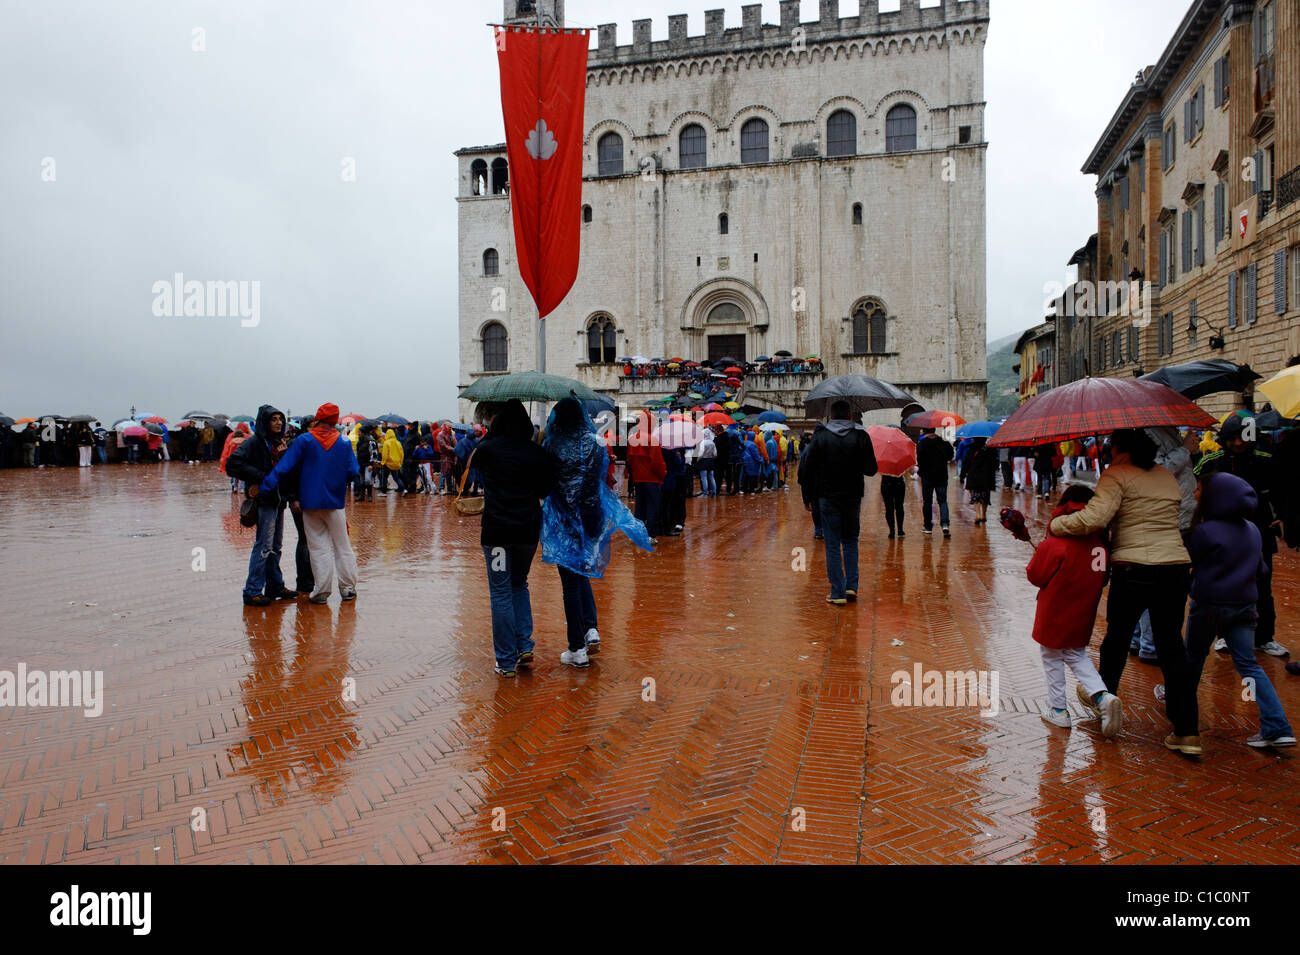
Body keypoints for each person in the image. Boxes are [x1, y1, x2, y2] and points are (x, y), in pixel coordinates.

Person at [1048, 428, 1200, 754]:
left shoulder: (1117, 474)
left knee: (1117, 640)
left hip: (1133, 569)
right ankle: (1187, 731)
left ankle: (1104, 699)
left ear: (1120, 449)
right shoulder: (1164, 476)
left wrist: (1058, 525)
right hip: (1174, 567)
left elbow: (1095, 519)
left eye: (1111, 447)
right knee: (1172, 647)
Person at [1183, 472, 1295, 748]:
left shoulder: (1204, 531)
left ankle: (1180, 707)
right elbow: (1262, 570)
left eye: (1200, 489)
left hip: (1209, 604)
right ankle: (1277, 726)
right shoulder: (1253, 530)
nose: (1196, 492)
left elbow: (1186, 561)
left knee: (1194, 657)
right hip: (1245, 606)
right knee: (1248, 665)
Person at [541, 397, 652, 668]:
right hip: (590, 518)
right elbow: (599, 482)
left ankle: (577, 648)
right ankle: (590, 629)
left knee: (571, 583)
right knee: (581, 574)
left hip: (564, 522)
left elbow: (545, 484)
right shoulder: (596, 444)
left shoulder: (551, 445)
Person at [1027, 484, 1123, 735]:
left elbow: (1035, 576)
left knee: (1051, 657)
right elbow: (1102, 578)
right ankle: (1102, 696)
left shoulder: (1056, 543)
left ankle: (1058, 710)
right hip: (1083, 611)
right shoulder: (1101, 545)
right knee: (1077, 655)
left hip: (1055, 610)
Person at [473, 399, 556, 677]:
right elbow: (546, 489)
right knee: (519, 584)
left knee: (500, 591)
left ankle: (506, 660)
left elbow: (476, 469)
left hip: (497, 531)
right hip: (527, 530)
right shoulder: (537, 453)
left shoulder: (487, 449)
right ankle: (524, 645)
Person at [1194, 414, 1288, 657]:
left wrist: (1283, 516)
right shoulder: (1210, 461)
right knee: (1223, 587)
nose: (1238, 443)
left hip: (1259, 535)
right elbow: (1194, 488)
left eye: (1243, 437)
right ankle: (1224, 636)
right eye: (1232, 438)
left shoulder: (1267, 460)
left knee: (1262, 587)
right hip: (1221, 538)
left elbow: (1282, 491)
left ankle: (1265, 637)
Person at [258, 404, 360, 605]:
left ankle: (321, 592)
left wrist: (265, 486)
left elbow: (284, 467)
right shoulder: (344, 442)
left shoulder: (305, 440)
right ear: (335, 420)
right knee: (343, 546)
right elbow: (353, 471)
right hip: (335, 503)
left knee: (317, 548)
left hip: (310, 503)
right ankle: (348, 589)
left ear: (318, 418)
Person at [799, 399, 879, 605]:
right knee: (851, 540)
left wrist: (807, 497)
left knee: (832, 543)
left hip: (828, 496)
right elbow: (871, 469)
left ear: (831, 415)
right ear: (850, 415)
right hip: (852, 496)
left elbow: (807, 469)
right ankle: (852, 586)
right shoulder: (861, 436)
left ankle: (837, 592)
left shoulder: (821, 436)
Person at [225, 405, 296, 607]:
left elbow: (284, 471)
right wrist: (259, 478)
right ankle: (253, 590)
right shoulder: (255, 443)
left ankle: (275, 585)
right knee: (264, 546)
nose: (278, 423)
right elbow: (233, 464)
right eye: (273, 419)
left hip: (278, 500)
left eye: (280, 419)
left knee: (275, 546)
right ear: (265, 422)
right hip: (265, 501)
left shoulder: (278, 443)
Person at [626, 412, 666, 539]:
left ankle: (639, 533)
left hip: (638, 478)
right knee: (653, 507)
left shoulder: (632, 439)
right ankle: (651, 534)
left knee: (640, 506)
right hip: (652, 479)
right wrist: (662, 474)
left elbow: (629, 460)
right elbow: (657, 462)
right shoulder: (652, 440)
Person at [916, 428, 954, 538]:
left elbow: (920, 460)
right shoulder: (943, 442)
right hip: (942, 476)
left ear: (924, 431)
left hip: (927, 477)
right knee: (942, 501)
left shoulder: (922, 444)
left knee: (927, 501)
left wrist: (921, 472)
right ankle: (945, 524)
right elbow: (950, 456)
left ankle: (928, 526)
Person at [962, 436, 999, 525]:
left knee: (975, 497)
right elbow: (995, 464)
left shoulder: (972, 450)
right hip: (987, 477)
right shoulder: (990, 450)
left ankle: (978, 515)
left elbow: (966, 463)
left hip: (974, 477)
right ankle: (984, 515)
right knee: (985, 497)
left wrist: (962, 475)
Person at [797, 430, 823, 540]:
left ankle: (818, 530)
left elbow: (802, 474)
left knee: (816, 509)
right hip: (826, 487)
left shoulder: (808, 450)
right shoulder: (829, 448)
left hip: (813, 486)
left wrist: (805, 499)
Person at [379, 427, 405, 495]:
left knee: (384, 477)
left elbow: (385, 454)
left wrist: (383, 462)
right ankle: (402, 488)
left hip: (387, 463)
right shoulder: (398, 442)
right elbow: (402, 453)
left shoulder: (386, 443)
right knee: (396, 477)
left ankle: (383, 492)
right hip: (396, 463)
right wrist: (400, 462)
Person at [881, 474, 906, 539]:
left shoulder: (884, 463)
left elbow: (879, 471)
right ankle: (900, 530)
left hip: (886, 484)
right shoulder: (900, 463)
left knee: (889, 508)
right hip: (899, 483)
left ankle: (892, 531)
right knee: (899, 507)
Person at [695, 428, 717, 496]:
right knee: (711, 477)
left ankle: (705, 492)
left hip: (703, 461)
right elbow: (715, 454)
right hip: (711, 461)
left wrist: (697, 460)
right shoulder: (712, 443)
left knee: (703, 478)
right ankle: (714, 491)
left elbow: (700, 454)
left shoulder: (702, 442)